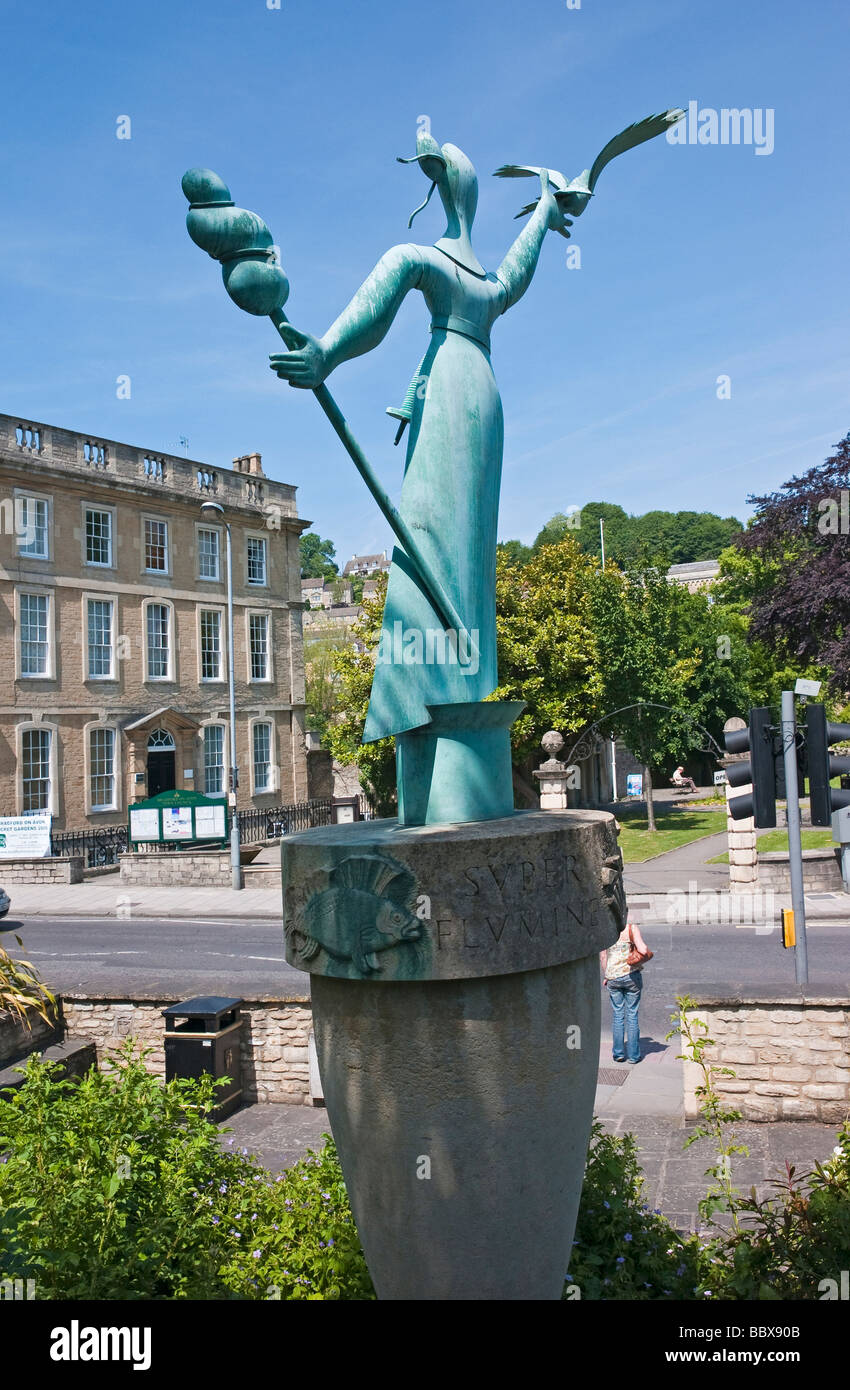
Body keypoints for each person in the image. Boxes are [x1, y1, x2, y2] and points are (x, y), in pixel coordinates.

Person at [600, 920, 651, 1064]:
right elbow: (643, 949)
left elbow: (603, 956)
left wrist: (607, 975)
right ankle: (634, 1056)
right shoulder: (630, 928)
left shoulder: (604, 929)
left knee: (618, 1015)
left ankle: (618, 1054)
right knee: (632, 1015)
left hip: (613, 977)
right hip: (631, 976)